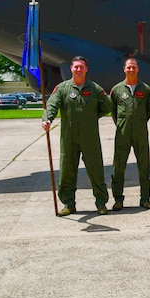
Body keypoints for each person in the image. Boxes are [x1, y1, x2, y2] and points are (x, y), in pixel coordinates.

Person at [42, 56, 112, 216]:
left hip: (90, 138)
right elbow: (52, 105)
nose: (78, 70)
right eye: (76, 67)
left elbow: (107, 105)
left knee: (96, 170)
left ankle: (101, 202)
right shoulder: (62, 88)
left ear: (86, 69)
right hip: (69, 137)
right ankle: (68, 203)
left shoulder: (94, 88)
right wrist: (47, 119)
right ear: (71, 69)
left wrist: (93, 116)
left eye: (81, 67)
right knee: (67, 171)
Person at [109, 57, 150, 211]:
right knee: (118, 167)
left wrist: (139, 122)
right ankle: (118, 199)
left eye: (133, 67)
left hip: (140, 133)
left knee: (144, 166)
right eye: (128, 67)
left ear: (137, 69)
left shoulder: (145, 89)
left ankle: (145, 199)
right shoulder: (117, 90)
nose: (131, 70)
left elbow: (149, 110)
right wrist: (123, 123)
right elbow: (114, 112)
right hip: (122, 134)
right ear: (124, 69)